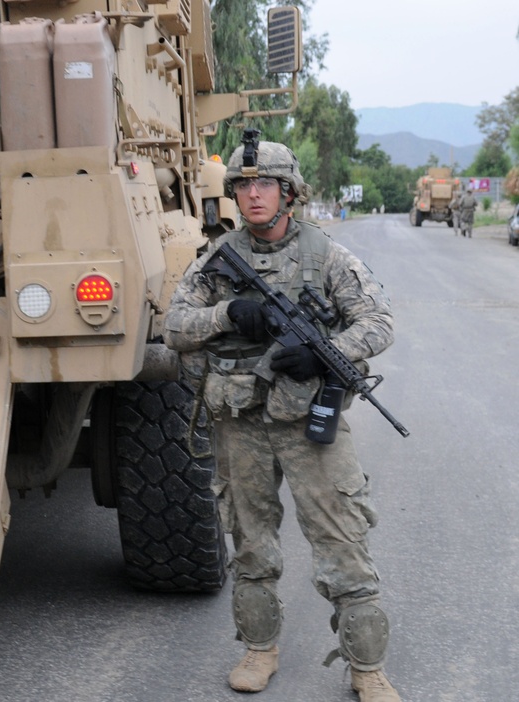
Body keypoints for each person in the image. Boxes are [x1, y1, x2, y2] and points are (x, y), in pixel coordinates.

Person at [163, 132, 401, 702]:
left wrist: (328, 349)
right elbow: (174, 328)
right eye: (243, 186)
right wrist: (226, 313)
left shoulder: (326, 256)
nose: (254, 196)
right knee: (250, 542)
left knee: (342, 539)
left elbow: (380, 322)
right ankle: (260, 650)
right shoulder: (219, 261)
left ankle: (366, 667)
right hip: (240, 423)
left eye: (265, 184)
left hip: (308, 424)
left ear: (289, 192)